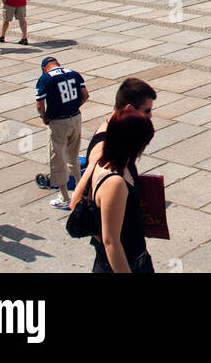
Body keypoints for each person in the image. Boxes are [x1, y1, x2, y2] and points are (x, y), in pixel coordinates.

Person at [88, 109, 155, 273]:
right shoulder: (115, 183)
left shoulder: (107, 162)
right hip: (125, 265)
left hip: (136, 258)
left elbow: (77, 201)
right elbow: (111, 241)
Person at [72, 77, 157, 196]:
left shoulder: (117, 131)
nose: (151, 115)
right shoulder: (104, 146)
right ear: (129, 109)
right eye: (147, 111)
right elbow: (79, 195)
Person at [35, 55, 89, 208]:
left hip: (58, 122)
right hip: (76, 118)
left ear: (44, 68)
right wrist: (74, 107)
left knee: (58, 159)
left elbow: (39, 105)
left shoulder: (46, 78)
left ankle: (65, 197)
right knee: (74, 157)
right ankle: (82, 193)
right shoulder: (74, 73)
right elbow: (85, 95)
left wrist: (44, 117)